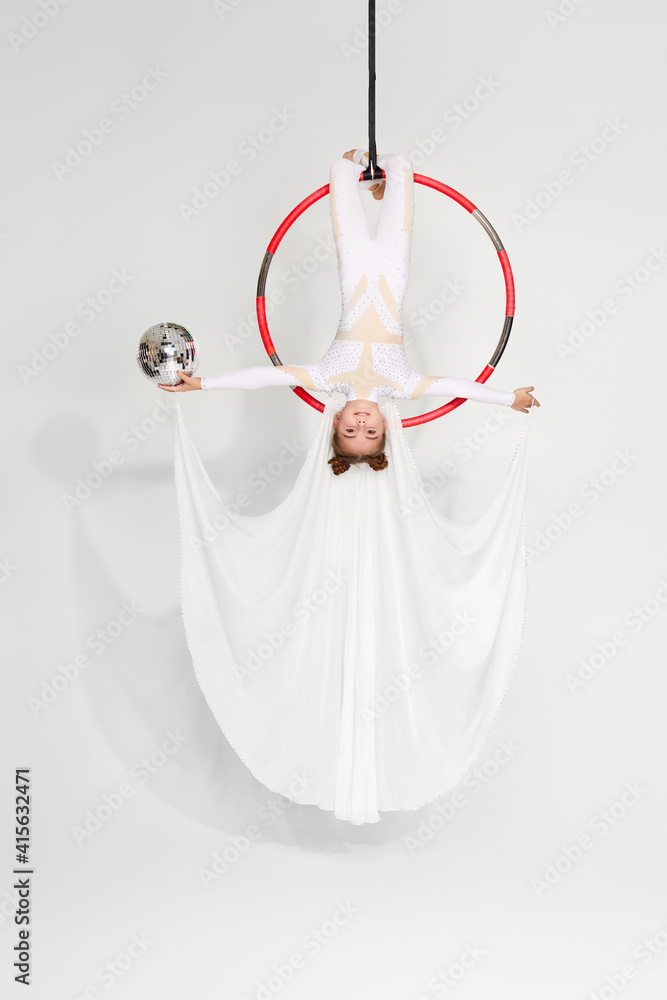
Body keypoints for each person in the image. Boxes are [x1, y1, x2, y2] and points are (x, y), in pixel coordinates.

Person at [159, 149, 539, 476]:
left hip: (353, 265)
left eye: (351, 431)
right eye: (371, 432)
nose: (361, 425)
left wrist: (203, 383)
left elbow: (264, 377)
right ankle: (381, 183)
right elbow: (458, 387)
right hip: (393, 266)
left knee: (342, 170)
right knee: (402, 165)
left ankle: (368, 173)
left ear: (335, 422)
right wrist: (509, 399)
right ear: (385, 426)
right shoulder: (401, 385)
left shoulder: (325, 377)